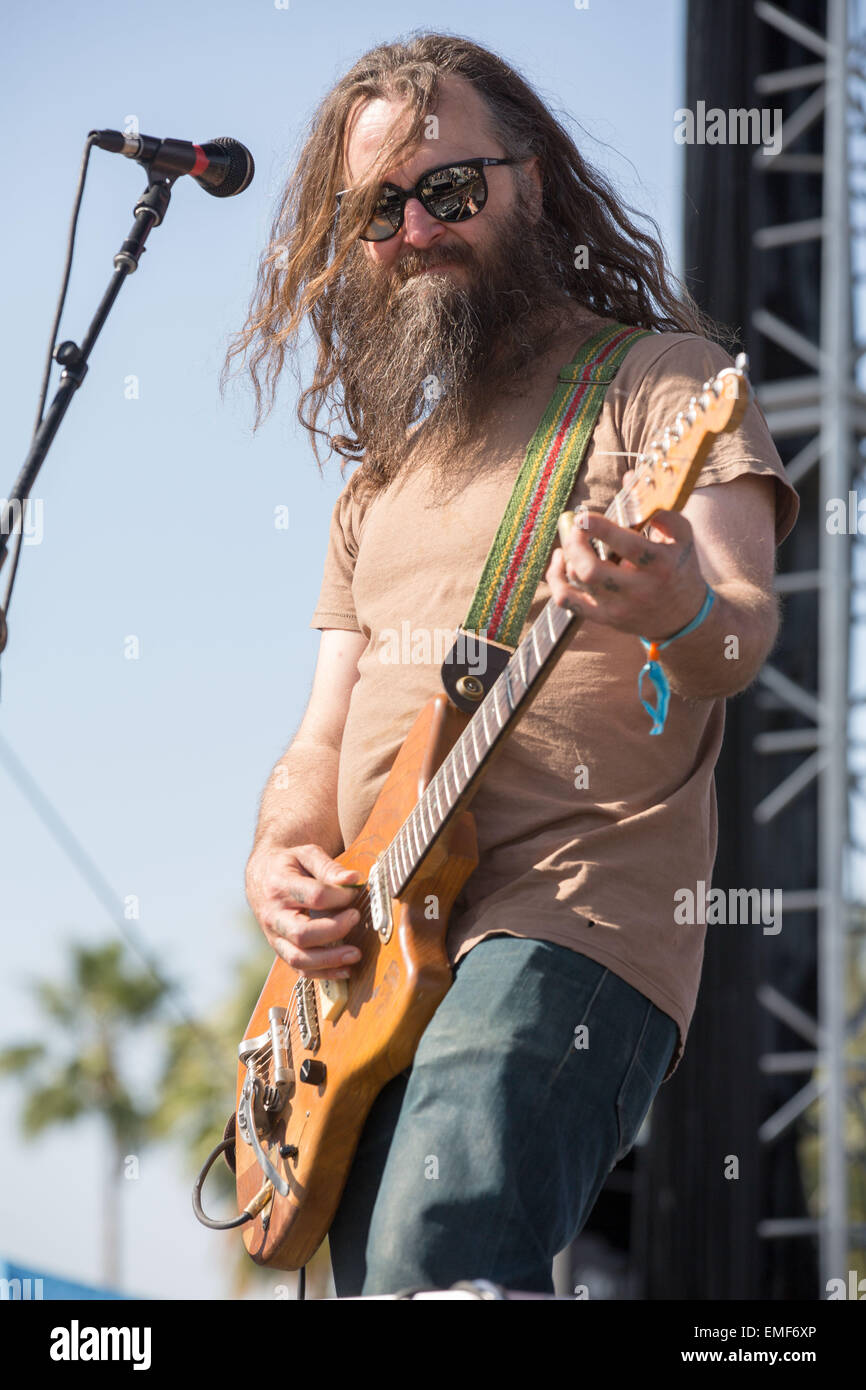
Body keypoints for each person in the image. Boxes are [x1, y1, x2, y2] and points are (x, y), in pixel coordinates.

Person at [227, 34, 799, 1297]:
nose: (416, 228)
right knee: (392, 1279)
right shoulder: (375, 488)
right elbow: (319, 742)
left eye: (449, 189)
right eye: (380, 207)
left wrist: (668, 596)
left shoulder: (662, 381)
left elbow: (737, 636)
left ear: (530, 183)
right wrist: (278, 856)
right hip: (370, 961)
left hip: (573, 910)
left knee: (451, 1233)